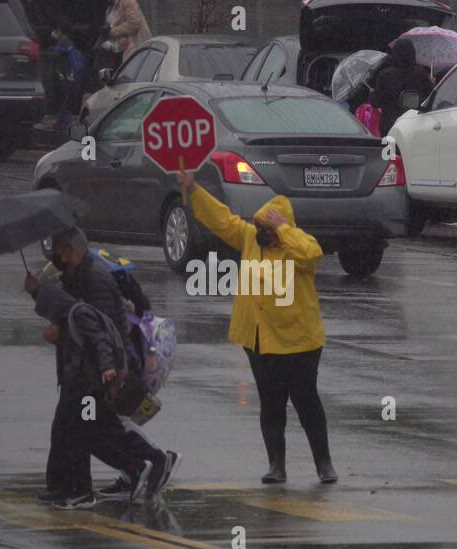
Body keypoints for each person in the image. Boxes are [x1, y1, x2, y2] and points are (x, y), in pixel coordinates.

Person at [176, 170, 338, 485]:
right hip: (259, 340)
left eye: (268, 227)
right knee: (271, 402)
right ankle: (276, 466)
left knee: (306, 402)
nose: (261, 232)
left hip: (299, 342)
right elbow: (222, 220)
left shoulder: (297, 245)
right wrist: (193, 188)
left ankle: (324, 464)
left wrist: (284, 230)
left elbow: (312, 254)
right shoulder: (250, 238)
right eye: (260, 226)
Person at [26, 228, 175, 508]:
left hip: (95, 374)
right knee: (79, 428)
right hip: (81, 371)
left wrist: (108, 368)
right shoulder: (75, 276)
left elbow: (101, 329)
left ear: (70, 250)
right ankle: (74, 484)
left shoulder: (94, 279)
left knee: (89, 428)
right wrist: (39, 295)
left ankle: (142, 464)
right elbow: (69, 312)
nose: (54, 257)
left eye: (58, 250)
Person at [369, 38, 433, 137]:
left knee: (391, 151)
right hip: (414, 124)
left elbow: (376, 103)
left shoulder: (385, 75)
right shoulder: (421, 74)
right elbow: (429, 100)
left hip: (390, 125)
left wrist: (372, 94)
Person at [36, 22, 88, 131]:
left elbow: (56, 75)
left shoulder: (61, 49)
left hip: (63, 84)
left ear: (60, 31)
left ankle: (62, 124)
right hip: (70, 84)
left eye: (56, 30)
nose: (54, 33)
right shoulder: (71, 47)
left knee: (62, 104)